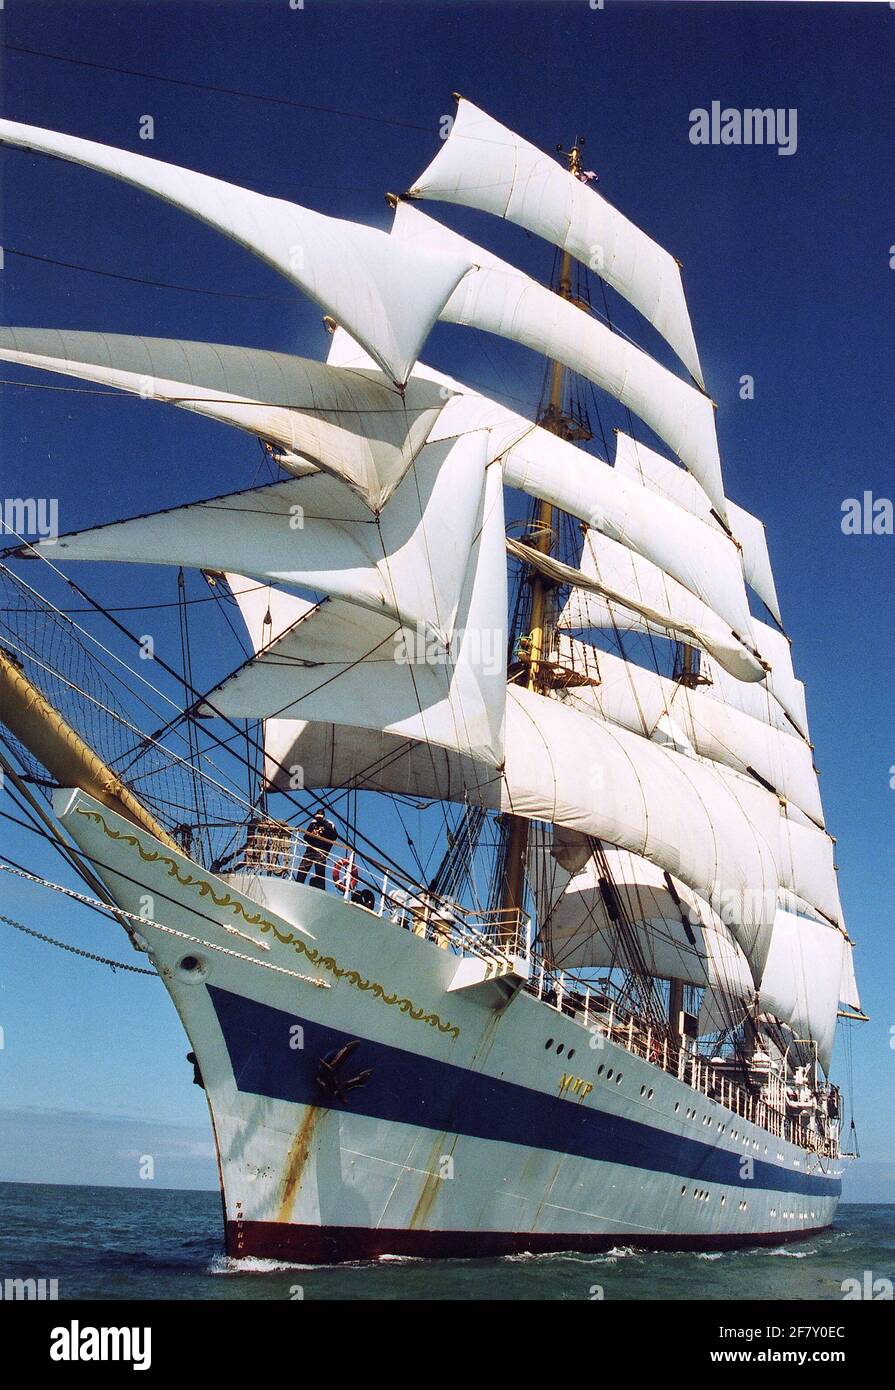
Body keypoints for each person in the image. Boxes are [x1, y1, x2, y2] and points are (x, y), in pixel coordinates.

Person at [294, 808, 337, 889]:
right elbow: (306, 837)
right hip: (310, 849)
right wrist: (312, 829)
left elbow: (334, 836)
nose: (319, 819)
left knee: (319, 869)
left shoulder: (328, 823)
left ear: (323, 817)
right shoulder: (313, 824)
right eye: (317, 817)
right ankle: (298, 886)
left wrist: (323, 831)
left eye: (320, 817)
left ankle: (321, 888)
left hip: (321, 849)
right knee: (302, 868)